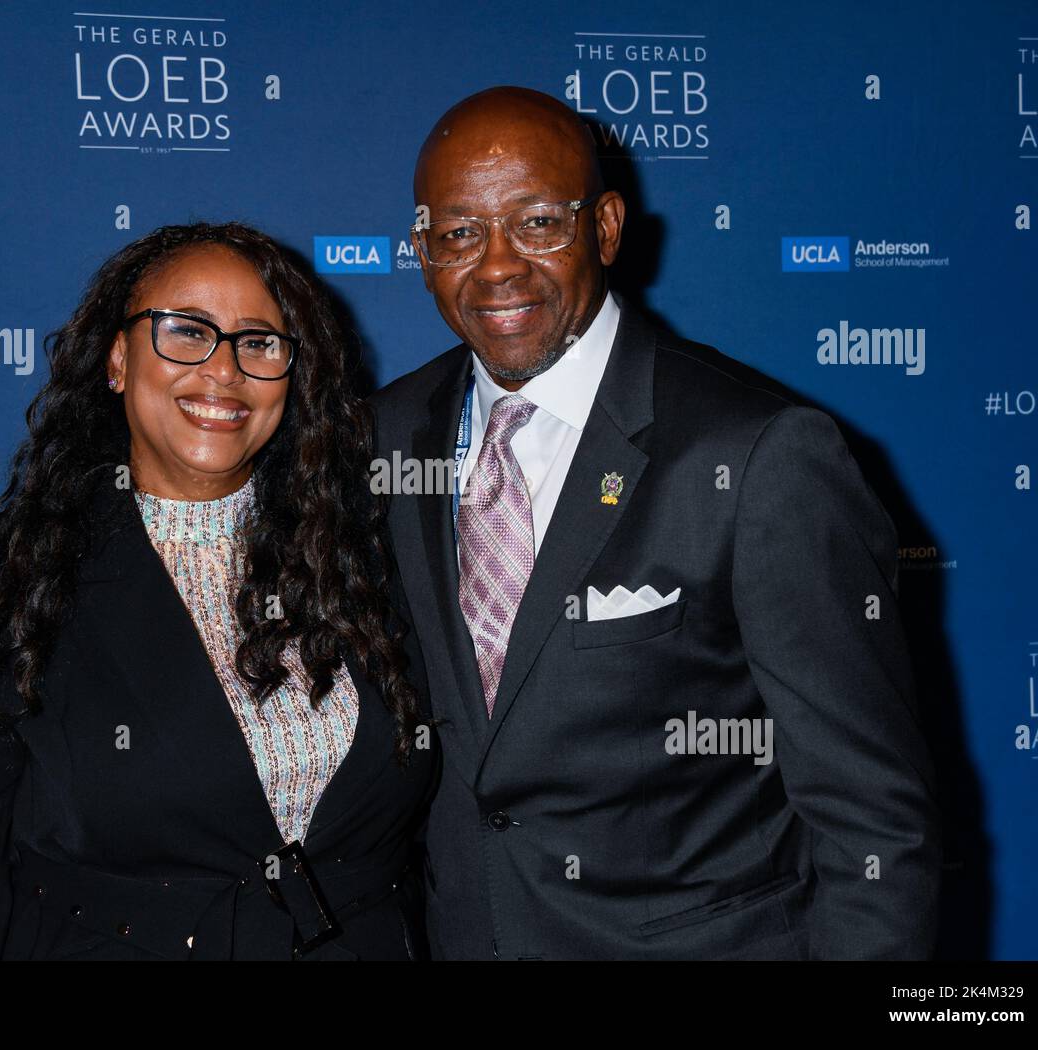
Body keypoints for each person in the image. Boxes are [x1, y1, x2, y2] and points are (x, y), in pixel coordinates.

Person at [372, 86, 942, 960]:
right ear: (420, 249)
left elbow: (873, 820)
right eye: (457, 232)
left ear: (604, 227)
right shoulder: (381, 436)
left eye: (536, 223)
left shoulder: (758, 452)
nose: (496, 267)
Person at [0, 221, 436, 960]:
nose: (224, 369)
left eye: (258, 342)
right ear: (118, 359)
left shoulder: (363, 553)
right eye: (186, 332)